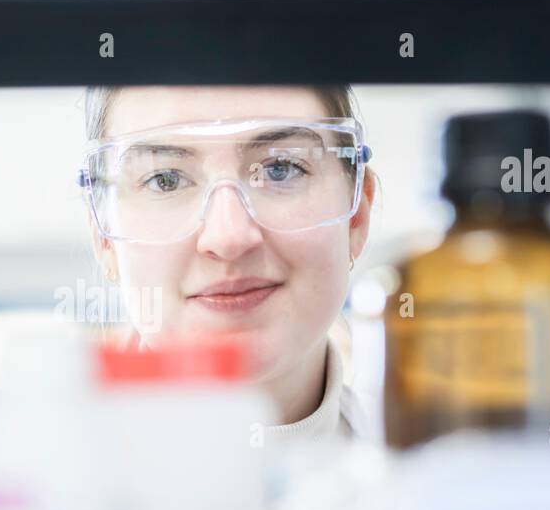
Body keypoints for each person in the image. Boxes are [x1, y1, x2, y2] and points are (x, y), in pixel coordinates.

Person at [80, 85, 376, 442]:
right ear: (104, 237)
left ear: (357, 215)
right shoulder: (30, 486)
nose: (229, 238)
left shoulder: (430, 473)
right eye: (166, 179)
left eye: (280, 169)